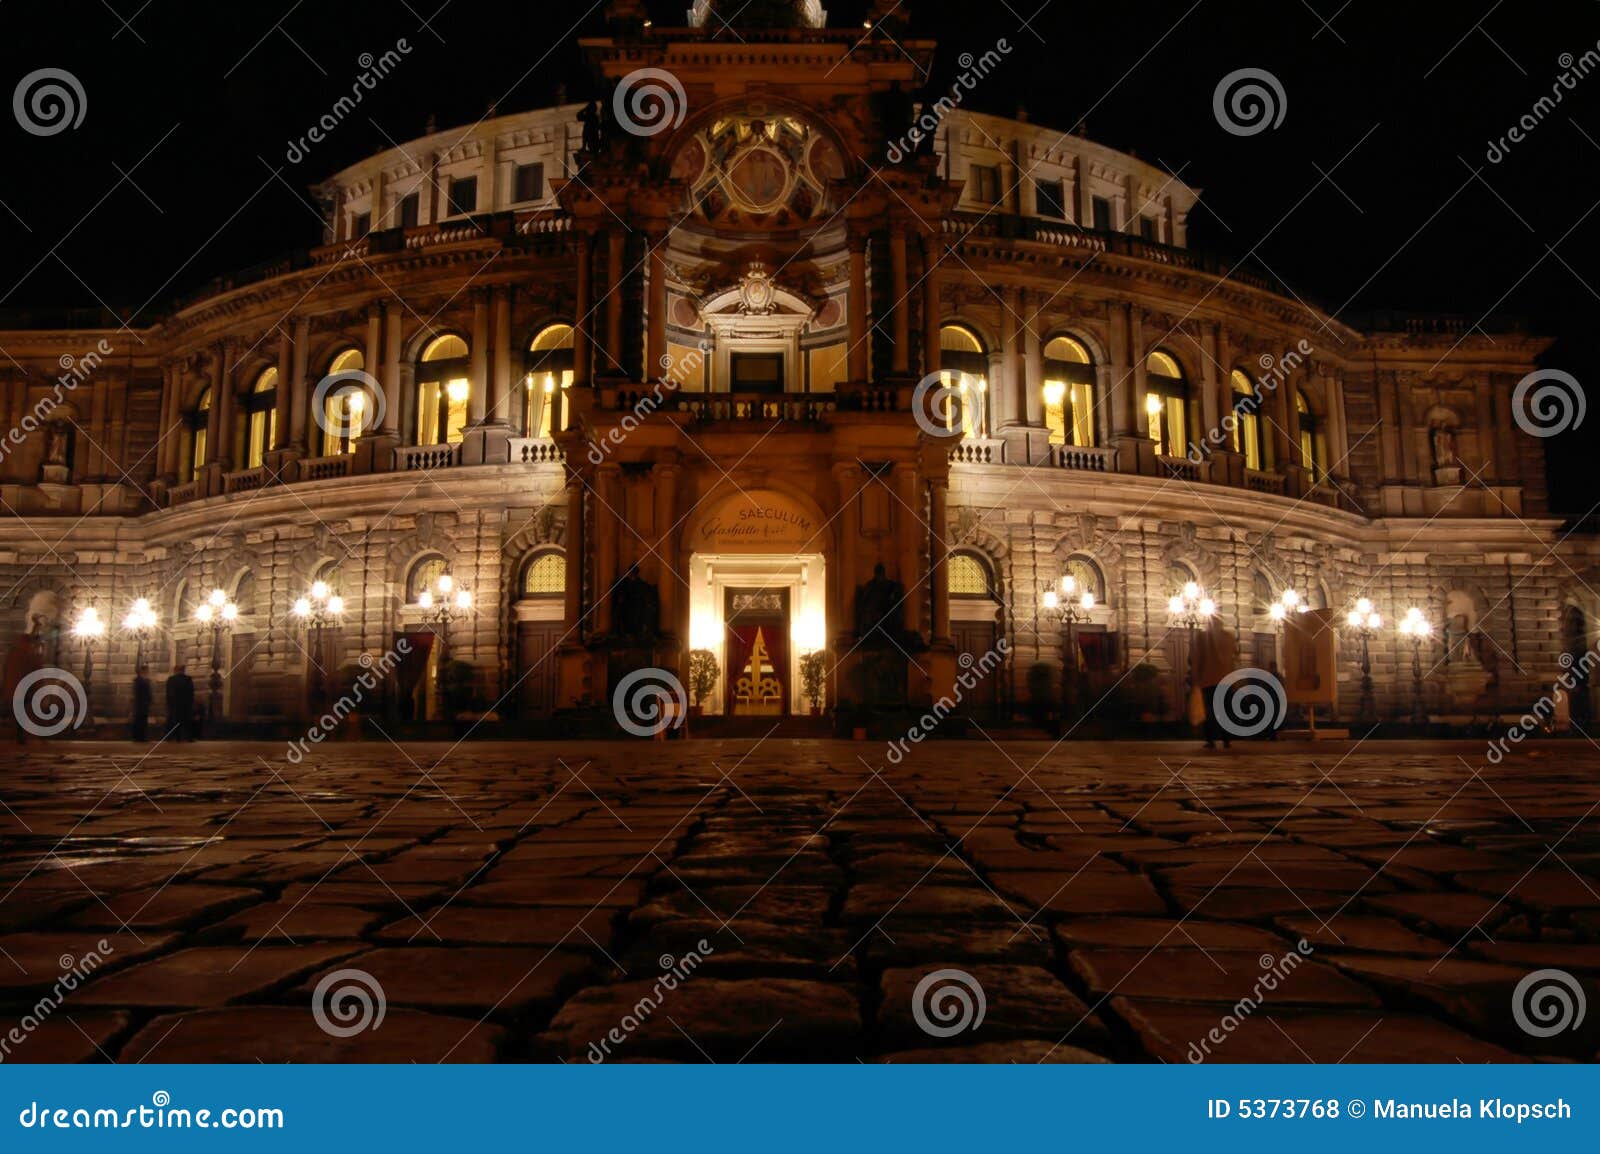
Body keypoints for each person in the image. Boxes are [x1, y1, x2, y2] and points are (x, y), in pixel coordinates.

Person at [1194, 617, 1239, 751]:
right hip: (1226, 680)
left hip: (1208, 680)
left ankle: (1210, 740)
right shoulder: (1229, 637)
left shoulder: (1202, 637)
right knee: (1225, 711)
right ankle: (1226, 740)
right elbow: (1234, 659)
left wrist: (1196, 678)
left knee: (1209, 711)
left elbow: (1197, 658)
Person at [3, 630, 44, 744]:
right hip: (23, 689)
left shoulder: (13, 654)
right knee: (23, 714)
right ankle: (22, 736)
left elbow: (6, 671)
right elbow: (36, 671)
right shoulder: (29, 655)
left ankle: (19, 735)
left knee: (18, 714)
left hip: (16, 689)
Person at [165, 664, 195, 742]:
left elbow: (169, 694)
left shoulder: (171, 680)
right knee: (187, 721)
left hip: (175, 705)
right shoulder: (188, 679)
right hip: (186, 705)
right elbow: (191, 693)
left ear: (176, 670)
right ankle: (189, 737)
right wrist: (191, 703)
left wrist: (169, 704)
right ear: (183, 670)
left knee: (175, 721)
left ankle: (177, 737)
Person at [131, 665, 152, 741]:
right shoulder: (139, 681)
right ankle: (139, 737)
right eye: (147, 671)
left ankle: (141, 736)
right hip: (141, 705)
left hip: (143, 705)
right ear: (143, 671)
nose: (148, 672)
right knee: (140, 721)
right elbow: (139, 694)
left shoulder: (143, 680)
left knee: (142, 720)